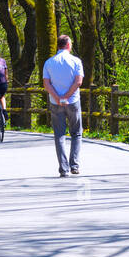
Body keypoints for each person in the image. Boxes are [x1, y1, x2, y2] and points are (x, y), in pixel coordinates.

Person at [42, 35, 84, 177]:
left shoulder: (49, 63)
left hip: (56, 103)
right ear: (67, 45)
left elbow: (46, 83)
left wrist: (58, 97)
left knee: (59, 134)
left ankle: (64, 169)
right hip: (72, 101)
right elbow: (78, 81)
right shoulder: (76, 61)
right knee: (76, 133)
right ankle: (74, 165)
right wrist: (66, 96)